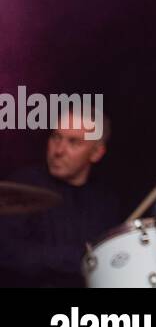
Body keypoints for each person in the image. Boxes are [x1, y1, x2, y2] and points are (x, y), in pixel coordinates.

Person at [0, 111, 121, 287]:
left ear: (96, 153)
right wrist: (76, 258)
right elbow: (7, 251)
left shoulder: (106, 203)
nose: (58, 150)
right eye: (56, 137)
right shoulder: (22, 187)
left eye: (74, 142)